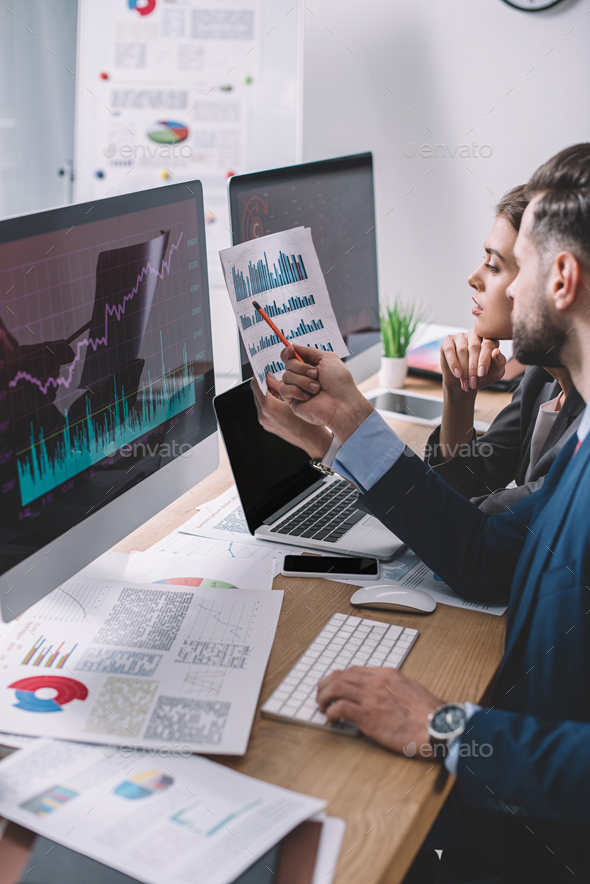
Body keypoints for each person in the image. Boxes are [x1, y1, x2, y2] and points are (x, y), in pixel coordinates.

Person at [254, 143, 590, 882]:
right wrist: (348, 422)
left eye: (519, 264)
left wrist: (446, 726)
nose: (494, 281)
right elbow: (488, 554)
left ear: (561, 279)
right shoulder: (584, 431)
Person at [427, 186, 584, 513]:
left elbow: (474, 530)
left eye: (494, 266)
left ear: (558, 281)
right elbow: (468, 483)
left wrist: (340, 437)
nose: (473, 278)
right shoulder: (542, 374)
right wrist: (458, 392)